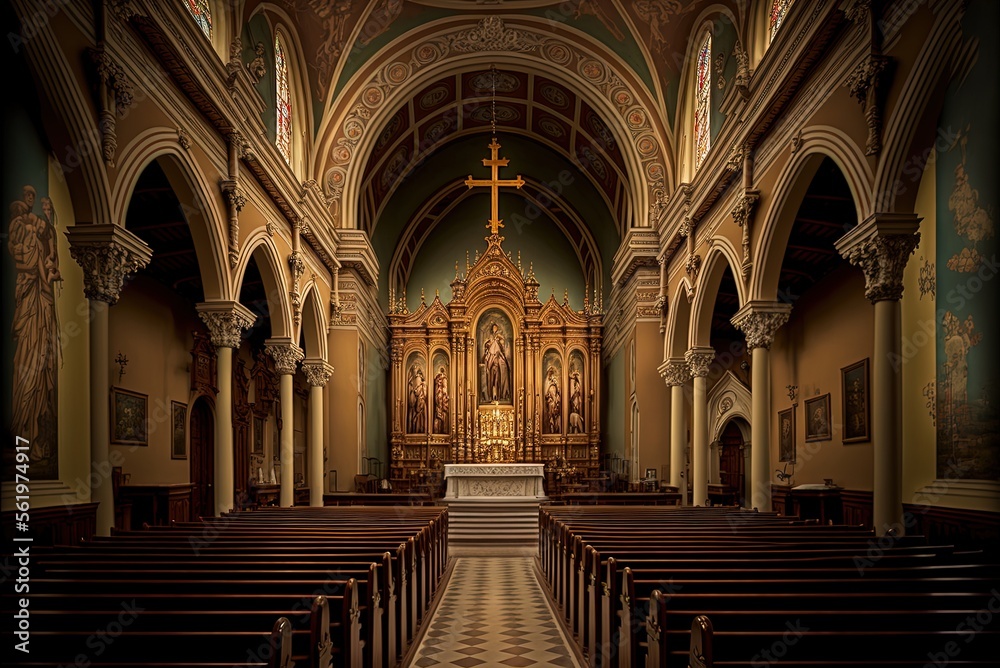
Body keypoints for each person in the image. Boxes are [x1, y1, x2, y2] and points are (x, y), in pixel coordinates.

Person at [8, 185, 61, 470]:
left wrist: (49, 269)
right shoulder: (23, 234)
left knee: (40, 371)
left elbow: (47, 258)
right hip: (31, 311)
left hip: (40, 310)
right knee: (26, 364)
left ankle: (35, 437)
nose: (31, 201)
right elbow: (33, 261)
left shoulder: (39, 235)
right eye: (26, 195)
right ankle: (23, 434)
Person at [480, 321, 511, 402]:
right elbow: (487, 344)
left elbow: (502, 344)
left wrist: (499, 340)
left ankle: (499, 396)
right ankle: (492, 396)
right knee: (492, 382)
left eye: (495, 327)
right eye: (493, 327)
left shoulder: (499, 336)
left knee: (497, 381)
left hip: (497, 364)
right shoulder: (490, 337)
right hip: (492, 363)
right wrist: (489, 343)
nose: (494, 329)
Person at [407, 364, 426, 432]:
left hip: (421, 408)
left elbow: (419, 407)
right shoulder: (412, 391)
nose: (417, 388)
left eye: (419, 385)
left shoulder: (422, 392)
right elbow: (411, 402)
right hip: (415, 409)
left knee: (420, 423)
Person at [544, 366, 561, 434]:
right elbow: (546, 394)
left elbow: (559, 392)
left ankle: (556, 431)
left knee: (556, 418)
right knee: (551, 419)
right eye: (550, 372)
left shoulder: (555, 383)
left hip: (555, 403)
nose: (551, 374)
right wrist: (550, 385)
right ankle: (551, 431)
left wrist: (556, 384)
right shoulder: (548, 383)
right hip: (550, 404)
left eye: (552, 372)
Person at [433, 366, 449, 433]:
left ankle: (443, 429)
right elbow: (444, 391)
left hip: (443, 402)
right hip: (440, 402)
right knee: (439, 415)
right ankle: (438, 430)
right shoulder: (439, 390)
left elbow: (445, 390)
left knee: (443, 415)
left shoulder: (440, 387)